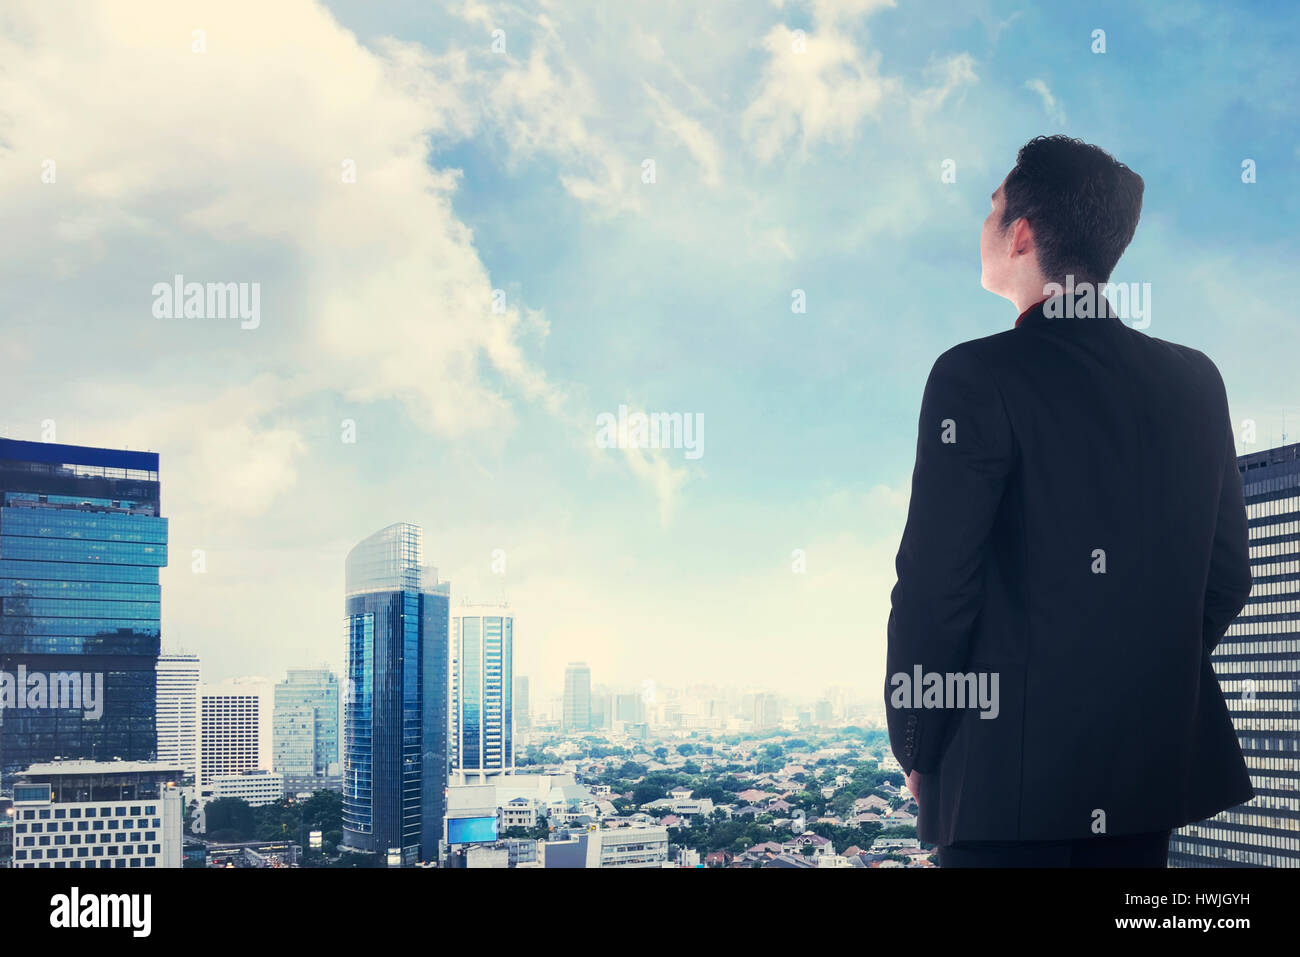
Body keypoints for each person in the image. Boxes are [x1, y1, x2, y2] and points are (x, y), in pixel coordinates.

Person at [884, 135, 1254, 867]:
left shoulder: (973, 376)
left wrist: (918, 745)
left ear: (1020, 234)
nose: (984, 222)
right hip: (1145, 785)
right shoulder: (1195, 381)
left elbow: (935, 591)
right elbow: (1226, 578)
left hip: (1000, 795)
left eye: (991, 206)